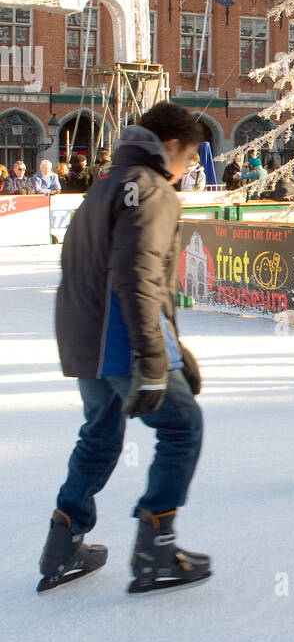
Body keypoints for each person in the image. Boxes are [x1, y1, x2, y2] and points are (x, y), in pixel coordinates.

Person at [37, 102, 210, 595]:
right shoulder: (152, 190)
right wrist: (154, 358)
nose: (190, 169)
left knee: (100, 434)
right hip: (119, 341)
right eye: (192, 157)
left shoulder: (106, 183)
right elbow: (138, 277)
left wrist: (173, 347)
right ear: (171, 147)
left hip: (84, 337)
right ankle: (156, 546)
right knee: (182, 428)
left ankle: (63, 540)